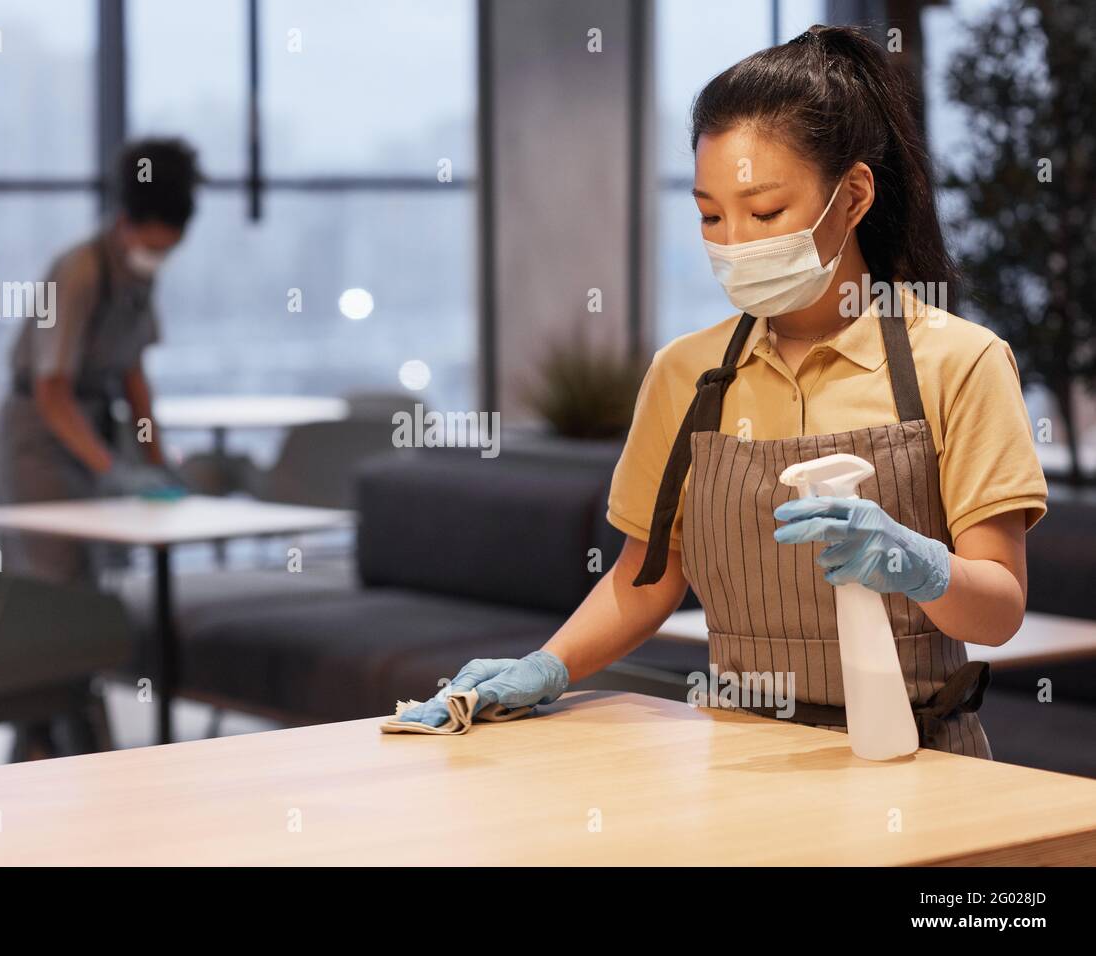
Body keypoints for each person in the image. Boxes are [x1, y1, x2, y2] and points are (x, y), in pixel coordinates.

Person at [400, 26, 1048, 758]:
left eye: (764, 212)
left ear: (855, 194)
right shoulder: (686, 375)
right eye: (711, 215)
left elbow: (997, 613)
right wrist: (547, 667)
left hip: (924, 760)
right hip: (743, 761)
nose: (735, 241)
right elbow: (646, 580)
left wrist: (920, 563)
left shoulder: (960, 363)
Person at [0, 137, 200, 588]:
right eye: (151, 247)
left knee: (101, 576)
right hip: (41, 437)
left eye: (166, 250)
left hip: (93, 429)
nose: (157, 258)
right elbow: (52, 391)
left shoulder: (138, 275)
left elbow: (133, 373)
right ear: (124, 222)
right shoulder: (79, 273)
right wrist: (114, 469)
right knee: (53, 582)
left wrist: (155, 459)